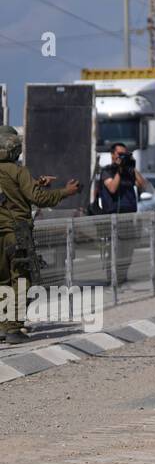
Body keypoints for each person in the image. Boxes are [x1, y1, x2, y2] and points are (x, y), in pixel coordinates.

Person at [0, 125, 81, 344]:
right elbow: (40, 200)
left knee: (3, 280)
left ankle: (3, 325)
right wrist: (66, 191)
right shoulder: (18, 171)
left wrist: (35, 184)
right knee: (22, 279)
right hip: (16, 233)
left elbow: (9, 194)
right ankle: (13, 329)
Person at [96, 142, 149, 215]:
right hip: (113, 213)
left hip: (129, 212)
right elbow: (112, 189)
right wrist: (120, 169)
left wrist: (131, 166)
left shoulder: (128, 172)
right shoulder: (107, 171)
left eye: (124, 154)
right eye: (120, 154)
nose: (122, 156)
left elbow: (142, 185)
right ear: (112, 155)